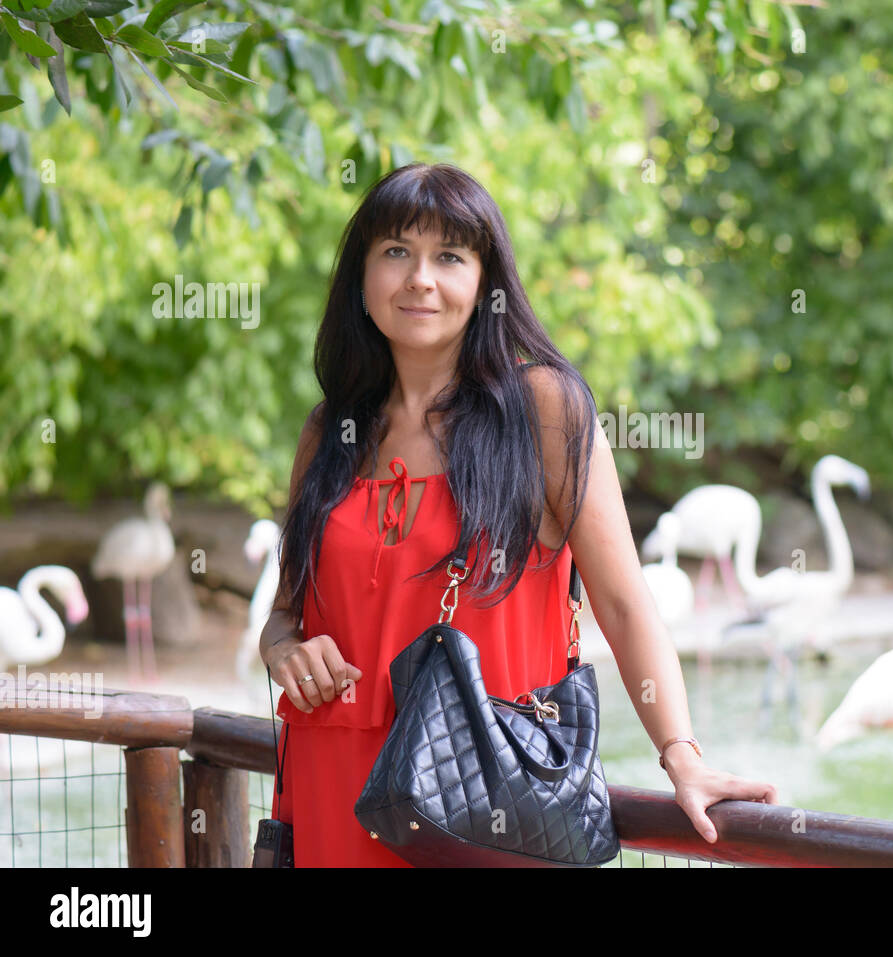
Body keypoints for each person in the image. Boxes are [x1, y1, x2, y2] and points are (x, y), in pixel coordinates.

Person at [260, 162, 778, 866]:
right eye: (395, 253)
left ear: (485, 283)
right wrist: (287, 650)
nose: (420, 278)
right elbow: (285, 612)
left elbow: (625, 604)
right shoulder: (330, 432)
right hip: (330, 783)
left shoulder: (541, 410)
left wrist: (681, 754)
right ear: (362, 276)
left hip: (481, 797)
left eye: (449, 256)